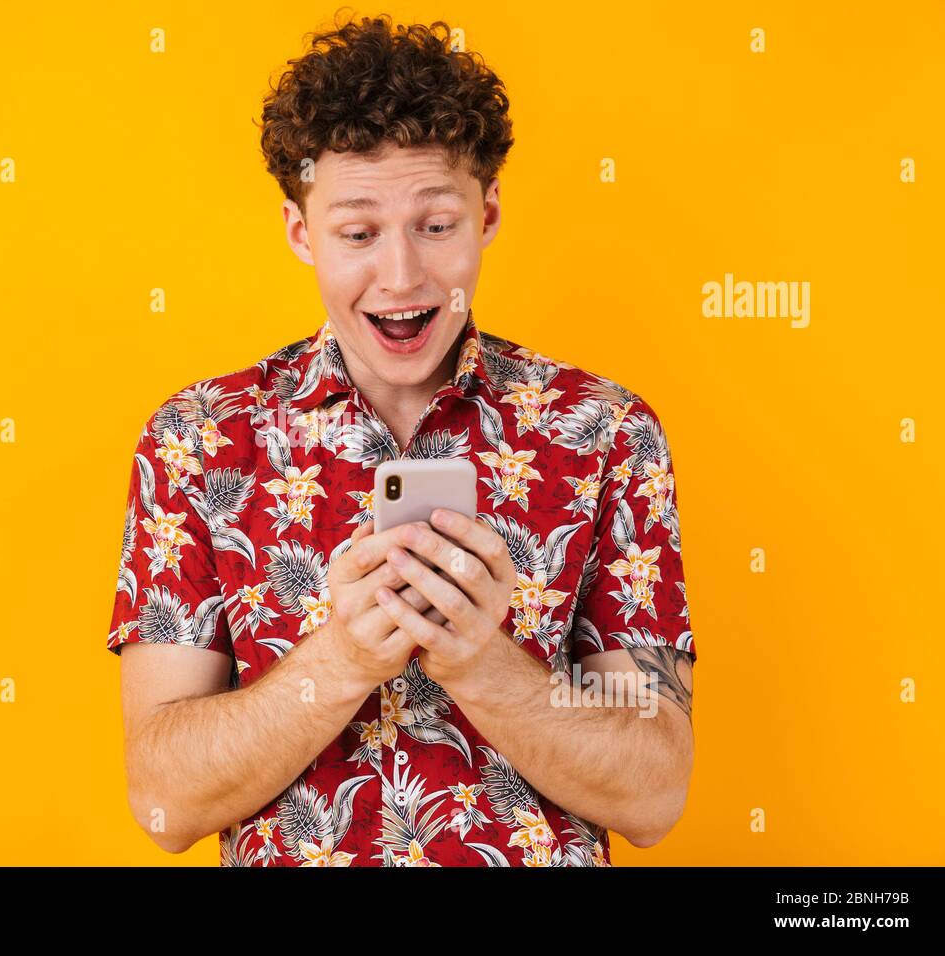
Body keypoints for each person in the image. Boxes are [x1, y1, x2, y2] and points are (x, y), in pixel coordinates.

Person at [106, 13, 695, 867]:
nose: (402, 276)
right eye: (357, 233)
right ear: (301, 232)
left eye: (436, 224)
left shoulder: (606, 433)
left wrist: (481, 663)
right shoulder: (198, 442)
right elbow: (162, 806)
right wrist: (341, 659)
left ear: (487, 214)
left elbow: (656, 795)